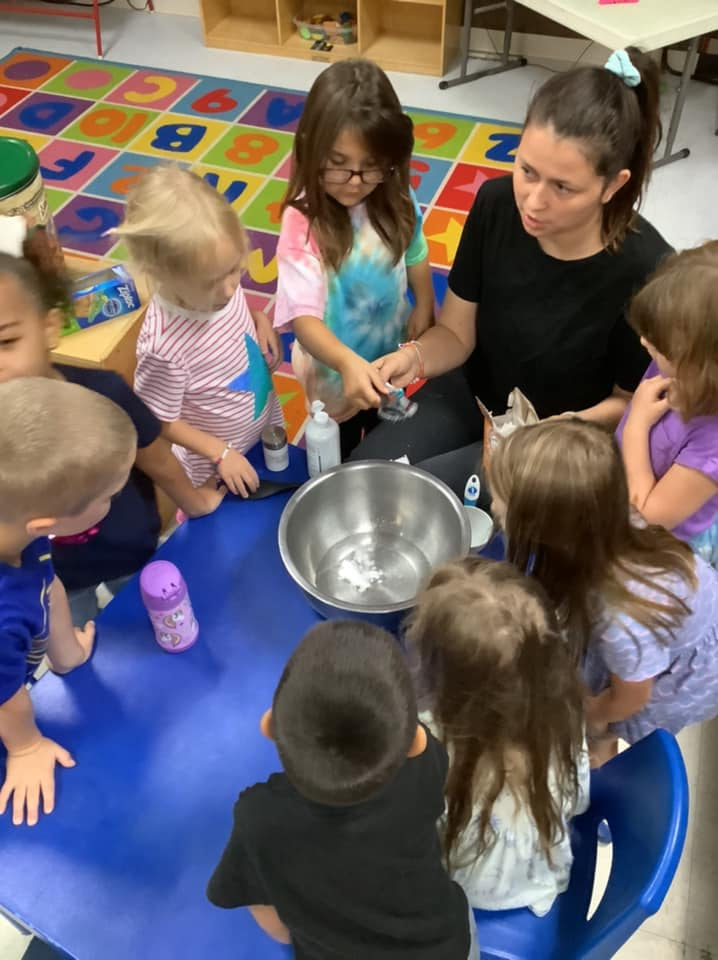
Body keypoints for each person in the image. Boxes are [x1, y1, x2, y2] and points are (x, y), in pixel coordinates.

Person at [353, 47, 671, 502]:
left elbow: (632, 405)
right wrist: (413, 359)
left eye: (562, 187)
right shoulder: (497, 204)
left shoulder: (648, 271)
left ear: (613, 185)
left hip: (560, 439)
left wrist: (571, 425)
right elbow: (458, 335)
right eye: (526, 170)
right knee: (363, 480)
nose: (533, 202)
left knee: (416, 507)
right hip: (474, 393)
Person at [207, 620, 478, 959]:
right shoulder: (428, 763)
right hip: (446, 948)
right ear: (416, 742)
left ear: (269, 725)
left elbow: (276, 926)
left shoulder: (259, 819)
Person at [0, 250, 225, 625]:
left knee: (149, 613)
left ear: (49, 328)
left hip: (131, 550)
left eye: (6, 342)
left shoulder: (105, 392)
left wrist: (196, 502)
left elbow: (159, 461)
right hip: (57, 581)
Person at [489, 419, 718, 765]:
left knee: (611, 722)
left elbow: (633, 696)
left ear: (549, 531)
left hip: (678, 672)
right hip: (658, 628)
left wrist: (597, 714)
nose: (493, 507)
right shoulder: (603, 521)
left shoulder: (619, 619)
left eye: (502, 504)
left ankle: (599, 754)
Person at [405, 557, 588, 916]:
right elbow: (578, 800)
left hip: (473, 893)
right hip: (539, 876)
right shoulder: (566, 718)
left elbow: (411, 833)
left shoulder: (434, 748)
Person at [275, 58, 435, 457]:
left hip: (386, 353)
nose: (356, 182)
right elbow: (304, 318)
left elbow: (414, 248)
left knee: (385, 436)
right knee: (341, 451)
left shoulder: (394, 195)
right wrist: (347, 364)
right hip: (332, 373)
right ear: (311, 149)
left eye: (371, 168)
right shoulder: (302, 222)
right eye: (339, 166)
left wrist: (425, 301)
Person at [0, 377, 136, 826]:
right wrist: (24, 745)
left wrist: (67, 653)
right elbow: (5, 695)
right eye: (110, 497)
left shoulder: (20, 528)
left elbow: (48, 582)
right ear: (48, 522)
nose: (116, 501)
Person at [114, 164, 284, 496]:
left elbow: (233, 314)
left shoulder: (220, 282)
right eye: (211, 283)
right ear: (165, 275)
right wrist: (219, 453)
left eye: (235, 269)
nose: (229, 289)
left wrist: (259, 321)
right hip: (216, 463)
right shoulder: (163, 346)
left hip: (261, 419)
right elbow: (158, 419)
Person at [616, 241, 718, 567]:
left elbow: (647, 522)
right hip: (623, 491)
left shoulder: (712, 443)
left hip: (656, 548)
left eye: (661, 345)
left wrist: (635, 427)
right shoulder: (672, 364)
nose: (645, 342)